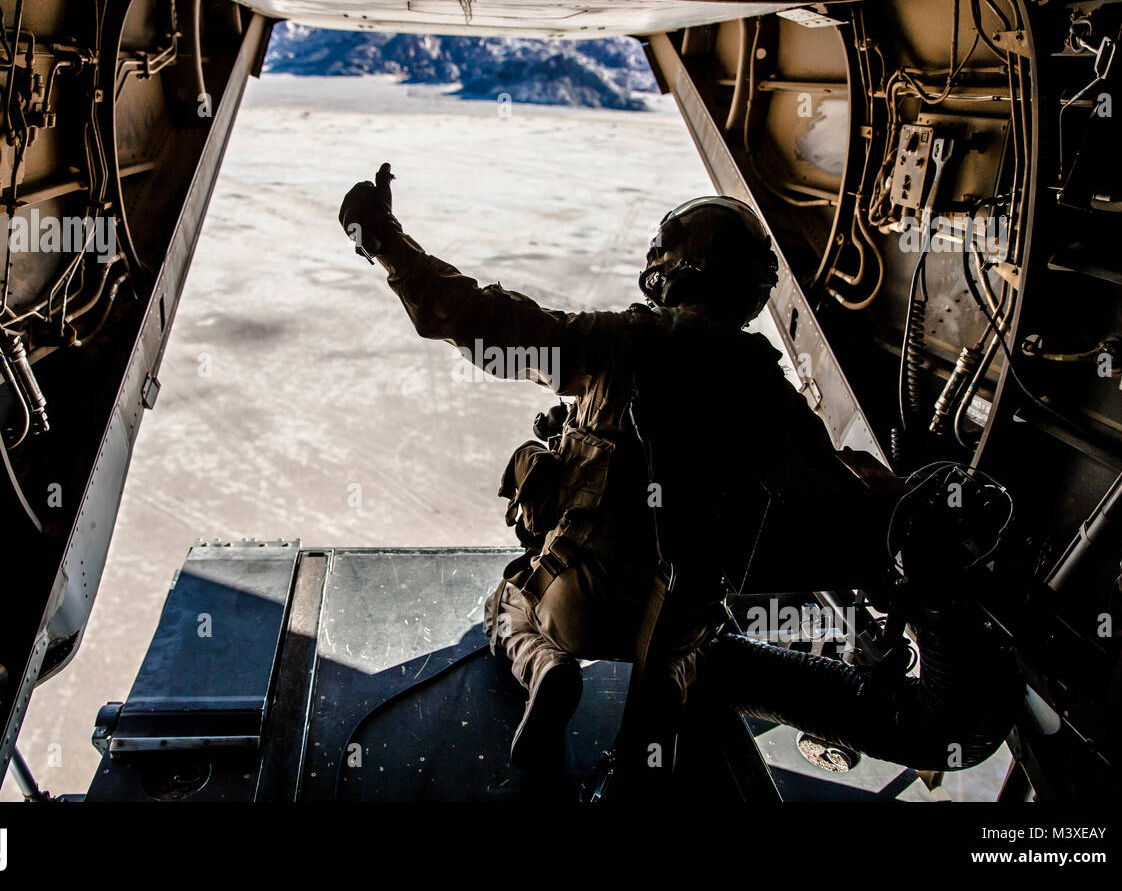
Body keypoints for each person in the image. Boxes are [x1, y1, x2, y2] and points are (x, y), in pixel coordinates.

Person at [338, 163, 843, 784]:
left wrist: (383, 238)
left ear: (674, 263)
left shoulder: (617, 343)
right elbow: (830, 504)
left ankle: (546, 668)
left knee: (505, 602)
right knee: (700, 645)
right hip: (672, 633)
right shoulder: (770, 393)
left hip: (577, 606)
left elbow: (478, 322)